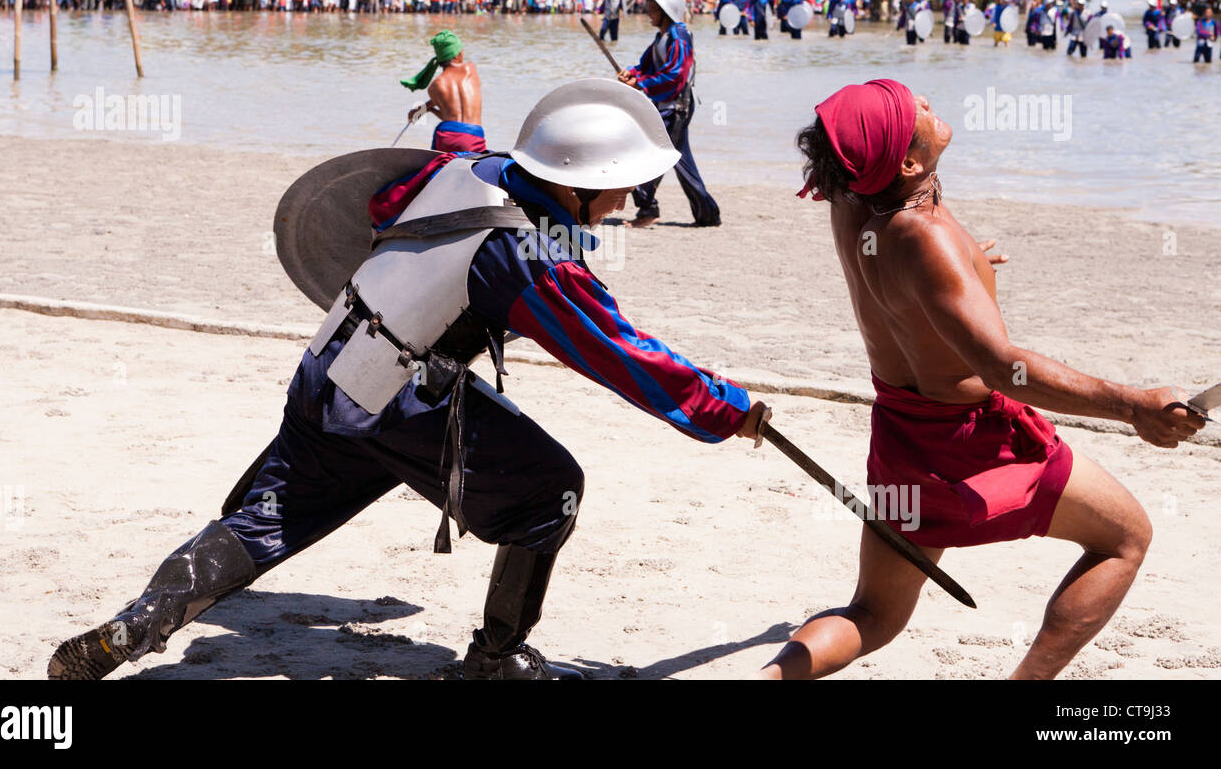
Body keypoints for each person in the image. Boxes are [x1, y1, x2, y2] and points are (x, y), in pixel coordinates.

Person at [47, 79, 768, 681]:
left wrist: (460, 118)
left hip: (325, 371)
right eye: (612, 191)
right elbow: (618, 353)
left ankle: (136, 625)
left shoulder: (465, 169)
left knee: (266, 521)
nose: (619, 205)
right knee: (553, 489)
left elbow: (393, 196)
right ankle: (497, 661)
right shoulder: (530, 257)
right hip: (397, 403)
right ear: (572, 186)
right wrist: (723, 408)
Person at [760, 79, 1204, 680]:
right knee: (1124, 537)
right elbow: (1002, 367)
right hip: (971, 445)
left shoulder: (853, 197)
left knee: (874, 615)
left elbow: (902, 272)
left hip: (899, 435)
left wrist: (963, 268)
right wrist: (1131, 404)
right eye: (912, 110)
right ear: (909, 161)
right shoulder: (926, 238)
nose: (923, 103)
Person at [619, 0, 721, 228]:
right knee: (680, 160)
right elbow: (646, 66)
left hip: (676, 107)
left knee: (652, 153)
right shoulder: (662, 37)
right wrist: (631, 74)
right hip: (668, 106)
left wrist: (640, 83)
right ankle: (707, 216)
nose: (647, 12)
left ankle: (647, 210)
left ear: (665, 10)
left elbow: (675, 76)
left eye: (652, 9)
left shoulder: (679, 36)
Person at [401, 29, 485, 151]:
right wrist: (428, 107)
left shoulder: (436, 86)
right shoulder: (471, 70)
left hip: (447, 135)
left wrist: (428, 109)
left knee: (439, 167)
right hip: (474, 137)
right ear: (458, 55)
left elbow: (452, 118)